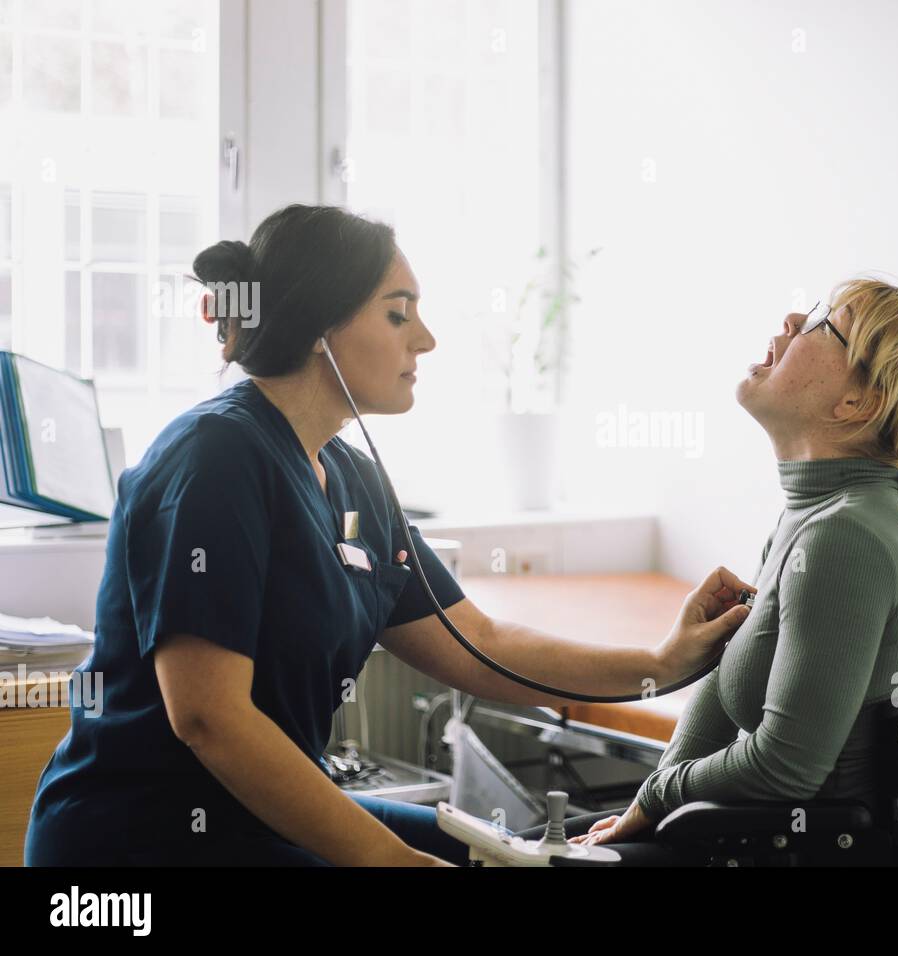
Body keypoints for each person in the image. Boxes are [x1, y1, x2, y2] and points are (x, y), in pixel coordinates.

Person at [23, 204, 753, 867]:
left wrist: (660, 664)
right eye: (398, 314)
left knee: (504, 859)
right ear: (320, 328)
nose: (427, 340)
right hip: (137, 838)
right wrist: (390, 862)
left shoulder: (350, 475)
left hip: (253, 816)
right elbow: (208, 718)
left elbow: (480, 644)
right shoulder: (216, 457)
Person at [517, 279, 898, 863]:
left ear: (856, 404)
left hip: (807, 848)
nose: (790, 320)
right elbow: (713, 709)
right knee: (528, 847)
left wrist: (656, 800)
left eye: (819, 323)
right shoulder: (812, 514)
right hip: (765, 832)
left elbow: (786, 768)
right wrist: (646, 804)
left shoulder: (845, 534)